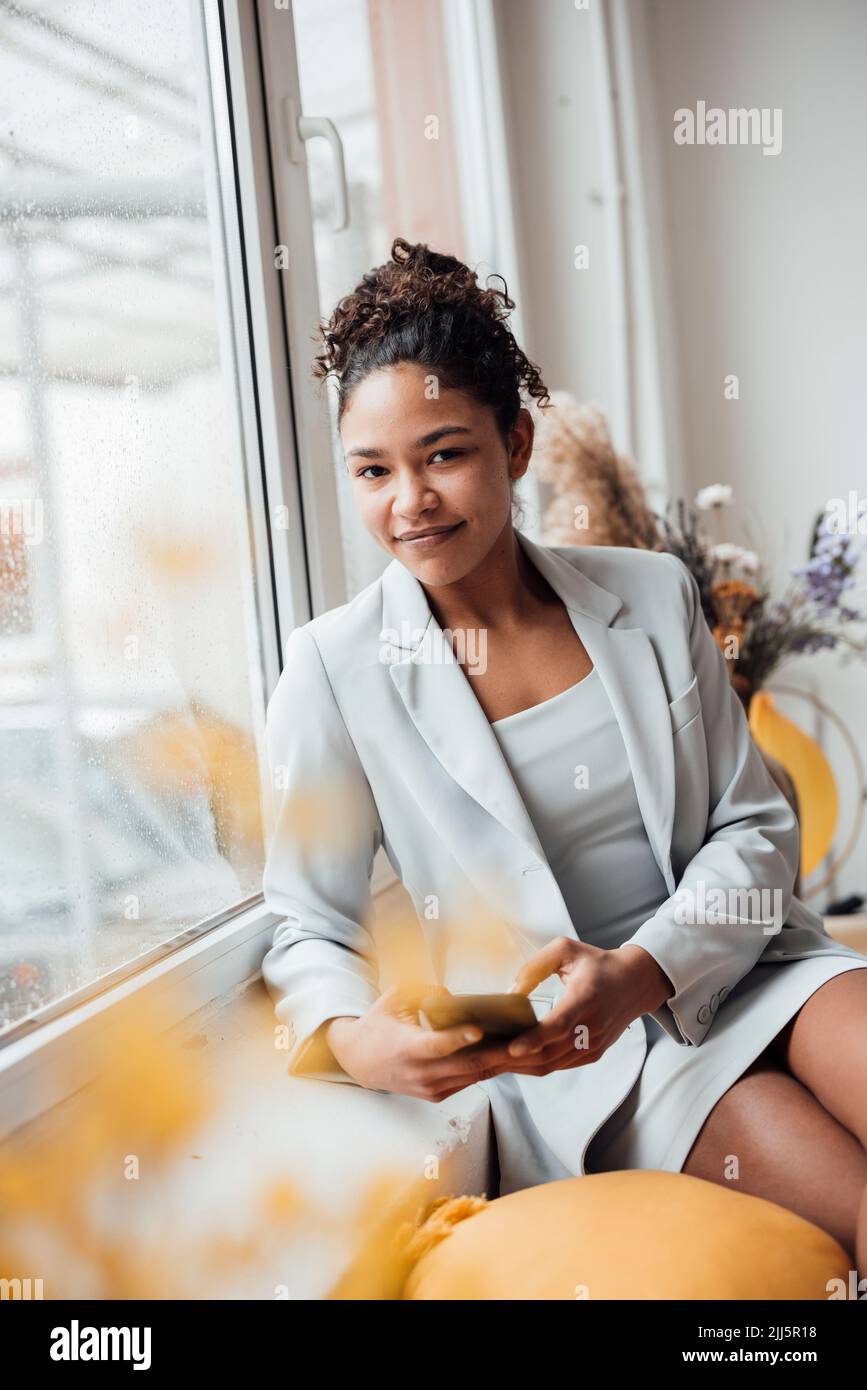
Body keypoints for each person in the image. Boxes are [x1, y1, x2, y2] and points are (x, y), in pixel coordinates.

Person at [261, 237, 867, 1276]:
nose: (410, 500)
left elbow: (756, 828)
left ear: (518, 443)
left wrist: (642, 970)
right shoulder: (333, 669)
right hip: (591, 1058)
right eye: (374, 470)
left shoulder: (648, 593)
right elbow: (304, 921)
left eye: (443, 453)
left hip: (750, 963)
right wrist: (361, 1042)